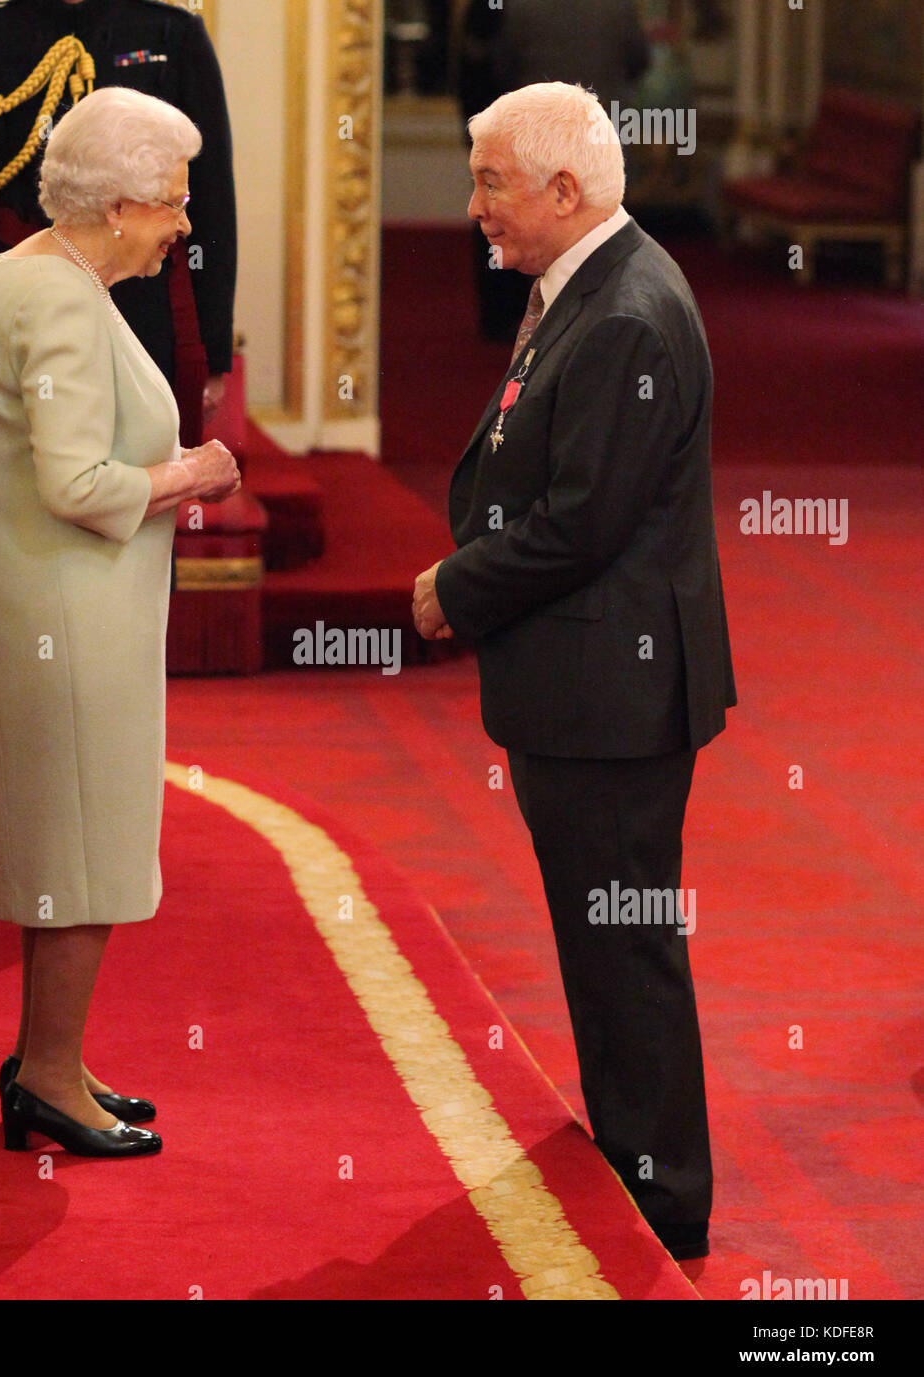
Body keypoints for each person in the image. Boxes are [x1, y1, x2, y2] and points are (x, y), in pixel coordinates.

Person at [412, 82, 735, 1260]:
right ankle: (634, 1158)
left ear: (564, 188)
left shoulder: (627, 316)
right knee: (604, 937)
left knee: (623, 944)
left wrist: (456, 590)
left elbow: (582, 525)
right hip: (589, 684)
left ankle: (663, 1203)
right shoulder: (586, 282)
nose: (473, 205)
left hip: (616, 695)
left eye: (491, 181)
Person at [0, 86, 240, 1157]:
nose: (182, 224)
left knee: (57, 850)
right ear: (118, 204)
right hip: (70, 618)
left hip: (54, 606)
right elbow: (77, 480)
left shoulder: (26, 274)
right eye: (171, 202)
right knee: (81, 854)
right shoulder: (65, 301)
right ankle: (49, 1077)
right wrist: (195, 472)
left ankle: (50, 1063)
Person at [0, 0, 236, 444]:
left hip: (141, 298)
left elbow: (211, 206)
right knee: (19, 459)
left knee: (140, 468)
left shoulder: (173, 34)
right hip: (22, 288)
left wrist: (212, 353)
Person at [458, 0, 649, 340]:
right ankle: (601, 319)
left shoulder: (519, 8)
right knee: (602, 233)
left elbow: (501, 68)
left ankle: (513, 323)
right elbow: (639, 61)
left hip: (536, 144)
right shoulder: (619, 7)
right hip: (601, 139)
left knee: (521, 227)